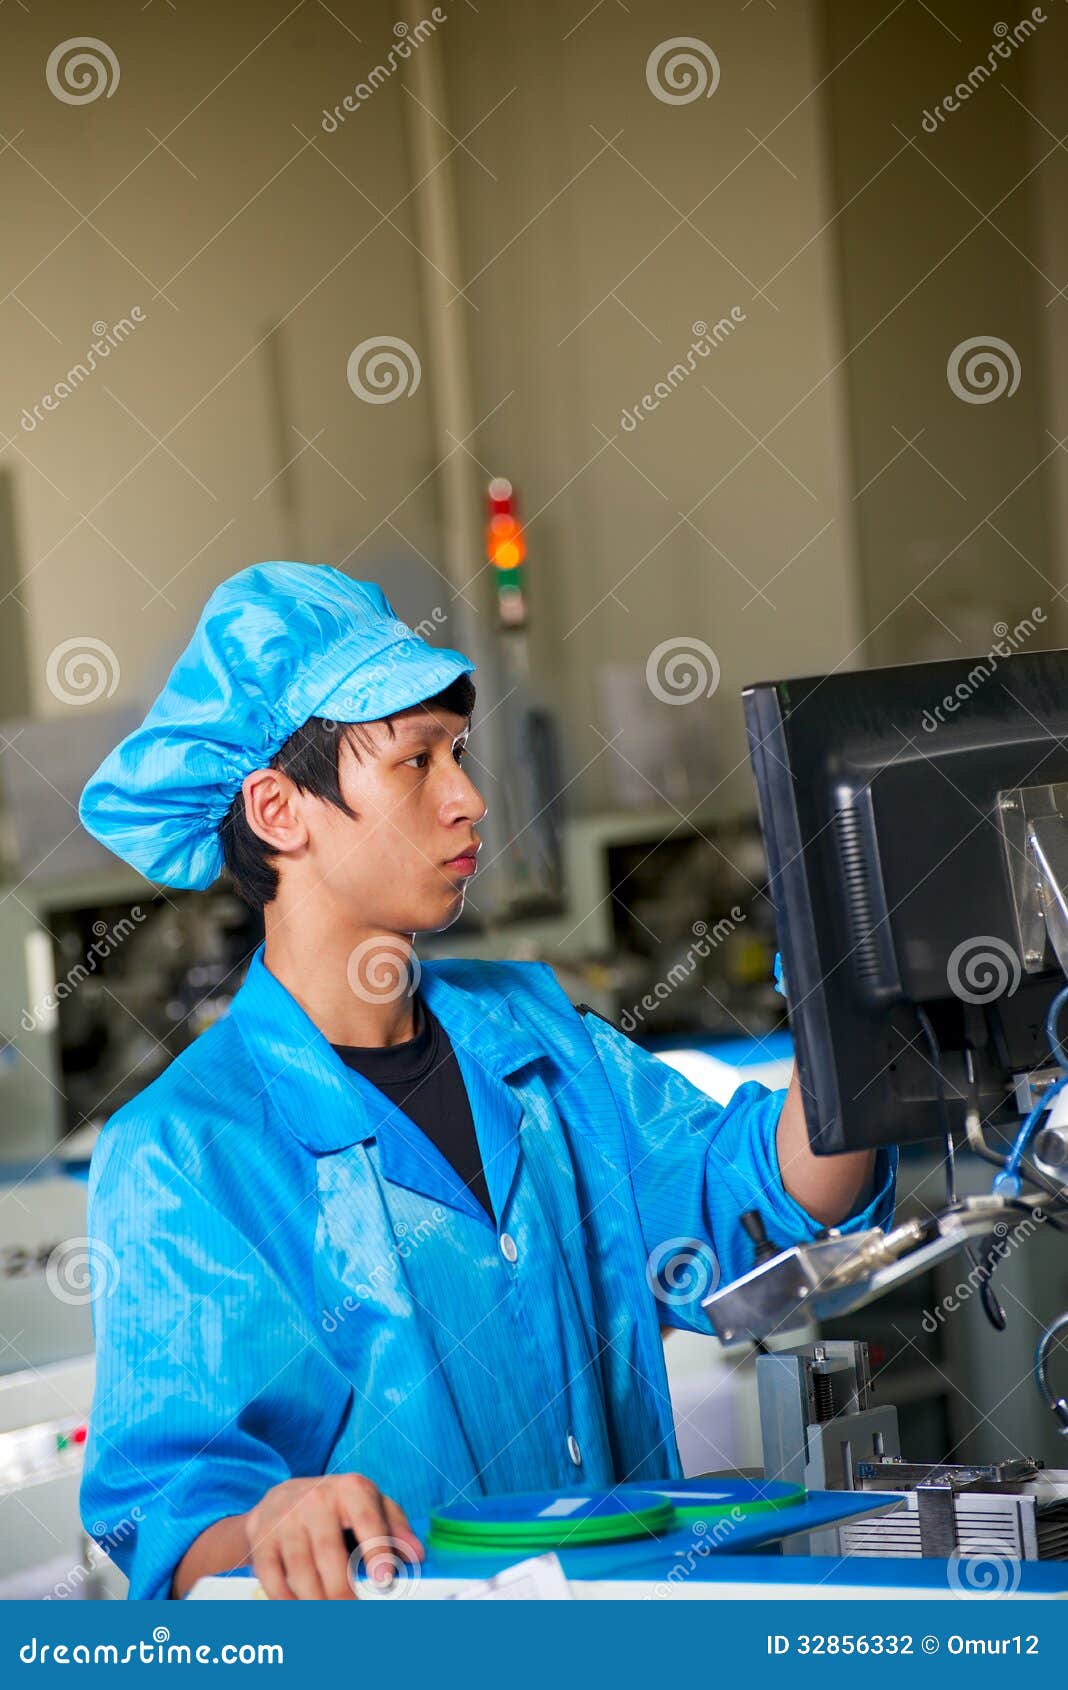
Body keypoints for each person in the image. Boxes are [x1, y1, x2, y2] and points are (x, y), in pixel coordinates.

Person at [76, 560, 896, 1600]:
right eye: (417, 762)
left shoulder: (536, 1038)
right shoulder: (187, 1149)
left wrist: (853, 1005)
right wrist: (270, 1523)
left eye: (458, 753)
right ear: (280, 810)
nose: (468, 799)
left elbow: (762, 1203)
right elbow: (171, 1526)